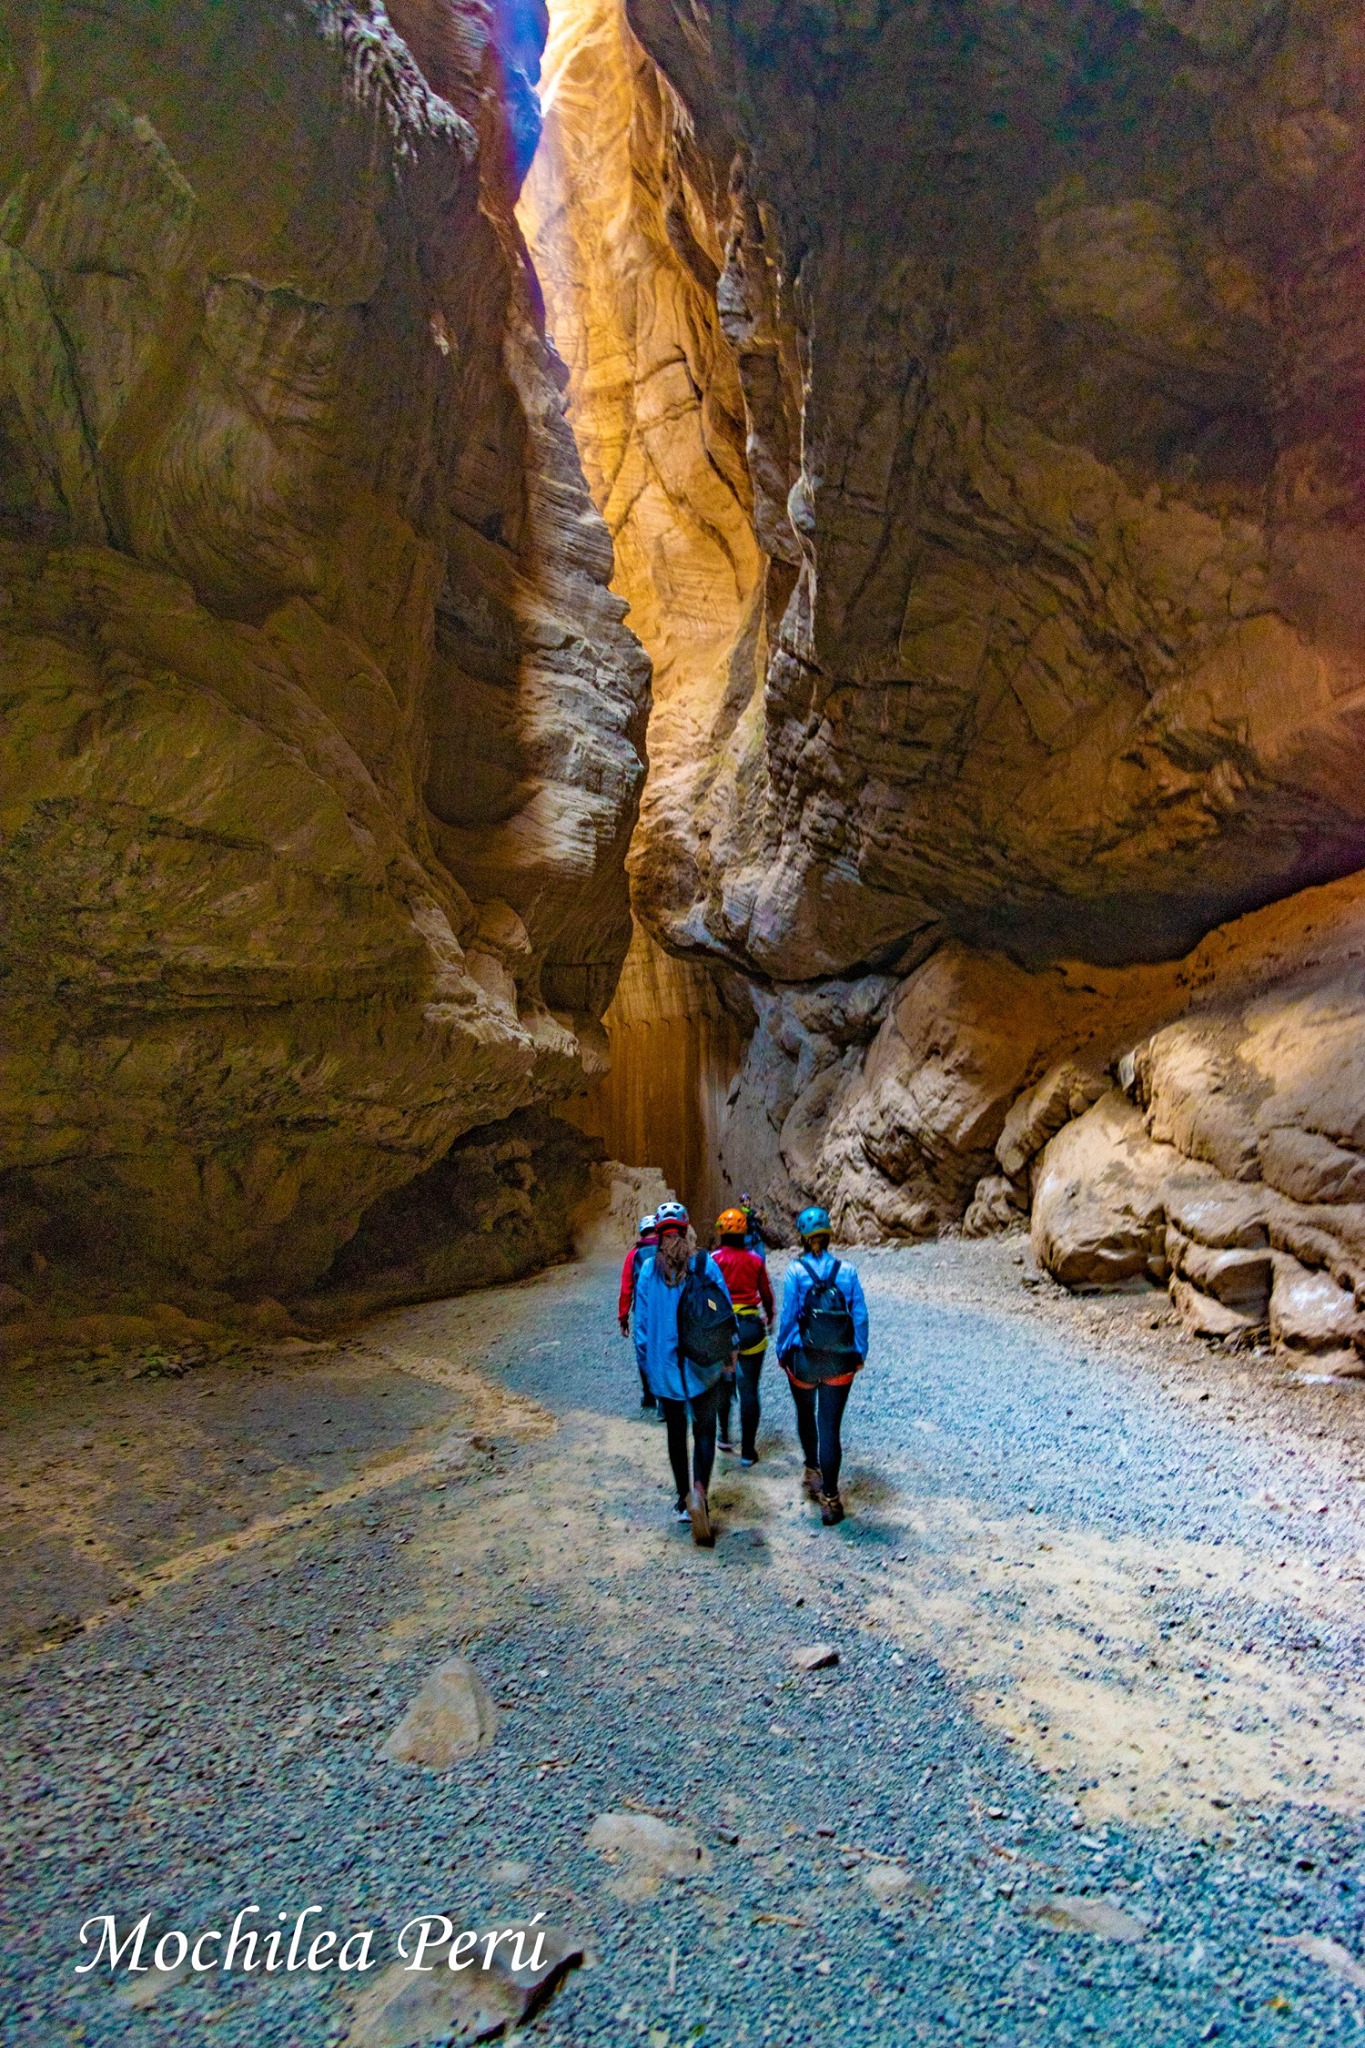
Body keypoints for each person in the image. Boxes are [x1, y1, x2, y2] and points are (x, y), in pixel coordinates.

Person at [633, 1201, 736, 1545]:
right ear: (686, 1228)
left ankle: (682, 1501)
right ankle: (700, 1492)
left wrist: (647, 1368)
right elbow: (724, 1311)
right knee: (704, 1431)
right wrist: (729, 1354)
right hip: (702, 1367)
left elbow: (642, 1329)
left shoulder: (648, 1271)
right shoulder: (704, 1263)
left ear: (659, 1234)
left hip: (665, 1372)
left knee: (676, 1434)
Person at [775, 1205, 869, 1526]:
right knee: (830, 1427)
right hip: (840, 1359)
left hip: (804, 1359)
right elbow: (860, 1317)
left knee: (806, 1415)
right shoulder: (848, 1271)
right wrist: (859, 1353)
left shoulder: (795, 1271)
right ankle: (830, 1499)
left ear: (803, 1238)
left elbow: (788, 1316)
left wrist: (782, 1350)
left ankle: (811, 1469)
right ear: (828, 1235)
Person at [711, 1206, 775, 1464]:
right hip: (750, 1326)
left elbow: (707, 1295)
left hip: (722, 1328)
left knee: (723, 1383)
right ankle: (748, 1451)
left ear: (721, 1232)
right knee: (749, 1388)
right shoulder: (756, 1260)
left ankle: (725, 1436)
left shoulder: (714, 1259)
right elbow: (767, 1294)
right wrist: (770, 1317)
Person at [618, 1212, 658, 1411]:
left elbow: (626, 1289)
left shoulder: (633, 1255)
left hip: (643, 1309)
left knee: (643, 1349)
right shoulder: (667, 1249)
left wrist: (623, 1317)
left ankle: (649, 1395)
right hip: (667, 1306)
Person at [738, 1192, 767, 1260]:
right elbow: (745, 1218)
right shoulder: (741, 1212)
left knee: (761, 1255)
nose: (746, 1203)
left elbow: (759, 1221)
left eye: (747, 1200)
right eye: (745, 1201)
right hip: (747, 1236)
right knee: (748, 1256)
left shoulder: (752, 1211)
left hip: (756, 1235)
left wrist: (761, 1219)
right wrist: (754, 1216)